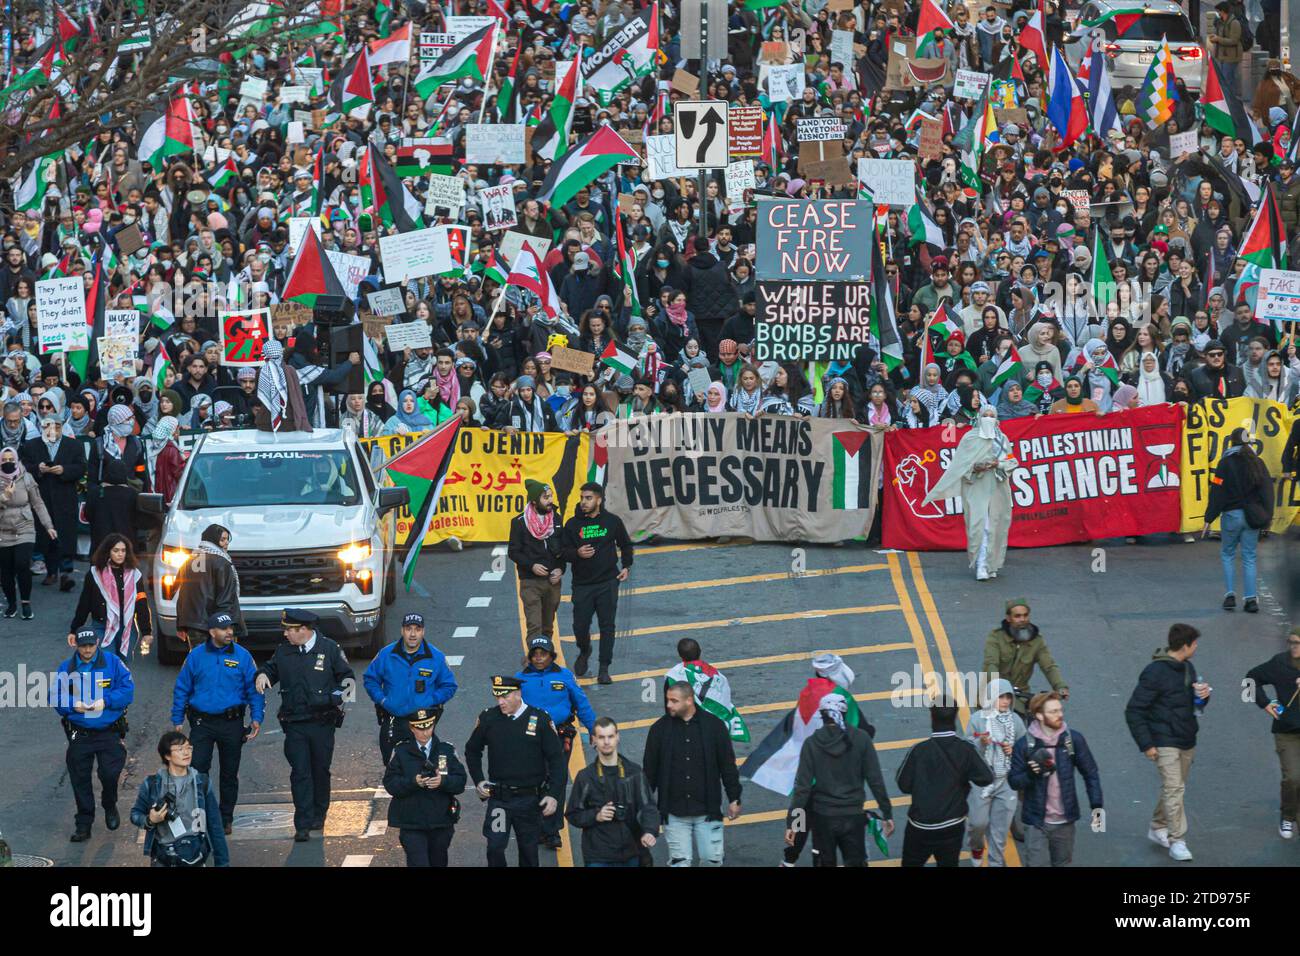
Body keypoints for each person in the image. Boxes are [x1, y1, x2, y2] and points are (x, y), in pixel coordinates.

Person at [253, 608, 354, 842]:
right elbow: (271, 668)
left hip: (322, 723)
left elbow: (348, 680)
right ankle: (303, 822)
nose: (285, 634)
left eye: (289, 630)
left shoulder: (329, 649)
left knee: (320, 770)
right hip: (294, 723)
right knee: (300, 772)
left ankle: (320, 812)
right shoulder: (284, 651)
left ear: (304, 630)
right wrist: (262, 675)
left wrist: (333, 698)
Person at [170, 611, 264, 835]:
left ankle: (225, 818)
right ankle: (200, 815)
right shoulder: (195, 656)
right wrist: (177, 718)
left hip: (231, 724)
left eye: (231, 628)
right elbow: (182, 687)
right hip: (202, 723)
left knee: (229, 774)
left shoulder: (242, 656)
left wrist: (256, 717)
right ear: (212, 632)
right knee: (198, 771)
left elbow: (254, 690)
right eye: (224, 629)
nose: (230, 632)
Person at [1124, 623, 1210, 862]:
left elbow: (1194, 705)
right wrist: (1147, 744)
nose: (1196, 648)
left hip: (1186, 738)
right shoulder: (1154, 672)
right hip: (1164, 740)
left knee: (1175, 787)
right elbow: (1134, 710)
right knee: (1174, 788)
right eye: (1194, 644)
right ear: (1185, 646)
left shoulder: (1188, 668)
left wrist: (1203, 696)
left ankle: (1157, 825)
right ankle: (1177, 840)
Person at [464, 675, 567, 867]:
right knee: (494, 847)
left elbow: (557, 761)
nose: (500, 702)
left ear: (518, 694)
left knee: (528, 852)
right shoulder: (489, 718)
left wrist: (553, 794)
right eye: (497, 697)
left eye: (505, 697)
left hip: (528, 801)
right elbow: (472, 750)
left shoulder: (540, 720)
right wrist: (479, 780)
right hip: (500, 800)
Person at [785, 693, 894, 867]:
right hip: (853, 816)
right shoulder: (862, 739)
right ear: (844, 713)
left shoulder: (811, 744)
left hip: (823, 818)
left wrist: (793, 824)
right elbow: (875, 780)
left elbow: (802, 789)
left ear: (821, 715)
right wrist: (887, 813)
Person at [643, 682, 743, 867]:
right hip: (673, 812)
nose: (669, 705)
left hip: (708, 811)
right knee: (680, 863)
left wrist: (734, 798)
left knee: (712, 861)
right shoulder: (659, 730)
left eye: (674, 701)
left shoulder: (714, 727)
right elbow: (649, 773)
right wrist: (643, 809)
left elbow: (727, 766)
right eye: (668, 700)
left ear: (689, 700)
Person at [516, 635, 597, 850]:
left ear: (552, 656)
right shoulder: (519, 679)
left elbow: (582, 704)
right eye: (535, 654)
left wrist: (594, 731)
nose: (539, 658)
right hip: (529, 739)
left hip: (560, 737)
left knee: (557, 781)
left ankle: (552, 831)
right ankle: (536, 827)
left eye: (544, 654)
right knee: (533, 781)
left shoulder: (565, 676)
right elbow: (508, 709)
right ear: (530, 657)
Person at [55, 627, 135, 842]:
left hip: (108, 732)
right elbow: (56, 697)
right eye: (83, 646)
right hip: (80, 734)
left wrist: (106, 701)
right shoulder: (66, 668)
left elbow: (128, 690)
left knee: (109, 774)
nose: (87, 650)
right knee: (79, 779)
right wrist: (74, 705)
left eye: (91, 645)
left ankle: (109, 805)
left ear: (97, 642)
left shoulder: (113, 663)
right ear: (76, 645)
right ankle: (84, 823)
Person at [922, 404, 1018, 580]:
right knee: (979, 526)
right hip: (976, 487)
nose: (988, 418)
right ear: (979, 417)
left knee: (996, 526)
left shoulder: (1001, 439)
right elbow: (960, 465)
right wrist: (976, 467)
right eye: (985, 415)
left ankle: (991, 564)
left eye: (992, 415)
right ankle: (980, 564)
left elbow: (1011, 461)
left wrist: (998, 464)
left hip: (998, 487)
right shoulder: (969, 438)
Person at [1008, 692, 1104, 867]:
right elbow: (1014, 781)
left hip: (1065, 821)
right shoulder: (1024, 745)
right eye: (1053, 711)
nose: (1059, 715)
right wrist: (1030, 774)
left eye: (1060, 710)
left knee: (1062, 864)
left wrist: (1097, 807)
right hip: (1037, 822)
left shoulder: (1073, 740)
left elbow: (1090, 773)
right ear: (1039, 715)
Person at [895, 700, 993, 867]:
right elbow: (986, 777)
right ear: (955, 717)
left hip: (921, 825)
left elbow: (903, 784)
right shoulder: (965, 750)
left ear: (931, 717)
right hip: (952, 825)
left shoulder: (918, 750)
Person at [560, 481, 633, 684]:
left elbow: (626, 545)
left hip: (607, 583)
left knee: (607, 626)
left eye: (588, 498)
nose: (584, 502)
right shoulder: (573, 525)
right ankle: (584, 649)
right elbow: (562, 551)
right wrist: (577, 553)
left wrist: (626, 566)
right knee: (580, 626)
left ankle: (604, 667)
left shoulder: (612, 521)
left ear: (599, 500)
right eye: (582, 498)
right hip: (582, 585)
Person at [363, 611, 458, 766]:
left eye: (417, 629)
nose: (413, 634)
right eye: (409, 629)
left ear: (423, 631)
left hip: (423, 724)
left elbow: (449, 685)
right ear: (402, 631)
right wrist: (382, 699)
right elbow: (370, 679)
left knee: (424, 768)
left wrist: (431, 700)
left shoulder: (436, 657)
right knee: (393, 769)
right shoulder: (386, 654)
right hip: (393, 721)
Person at [566, 717, 661, 867]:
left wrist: (650, 831)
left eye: (610, 736)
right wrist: (596, 815)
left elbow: (648, 807)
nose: (606, 742)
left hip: (631, 851)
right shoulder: (585, 777)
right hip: (599, 855)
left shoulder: (634, 773)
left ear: (617, 737)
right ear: (594, 740)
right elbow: (572, 814)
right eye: (601, 737)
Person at [130, 731, 231, 868]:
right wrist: (149, 820)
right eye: (180, 749)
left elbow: (215, 825)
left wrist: (223, 862)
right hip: (164, 855)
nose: (186, 752)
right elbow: (135, 814)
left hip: (196, 854)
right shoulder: (152, 784)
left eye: (189, 747)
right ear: (167, 755)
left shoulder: (202, 782)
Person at [382, 706, 466, 867]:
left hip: (440, 821)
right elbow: (390, 784)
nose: (425, 732)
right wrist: (414, 782)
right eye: (420, 728)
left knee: (438, 862)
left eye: (428, 727)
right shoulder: (401, 751)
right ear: (412, 728)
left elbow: (460, 782)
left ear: (433, 725)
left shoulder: (446, 750)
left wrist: (443, 782)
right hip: (411, 823)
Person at [1204, 427, 1273, 613]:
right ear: (1248, 442)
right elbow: (1267, 491)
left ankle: (1230, 595)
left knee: (1228, 554)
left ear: (1231, 442)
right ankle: (1251, 599)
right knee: (1249, 557)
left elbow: (1217, 491)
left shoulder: (1224, 463)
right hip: (1252, 517)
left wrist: (1209, 517)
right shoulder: (1258, 463)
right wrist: (1267, 518)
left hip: (1231, 516)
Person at [18, 411, 84, 591]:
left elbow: (80, 467)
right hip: (42, 497)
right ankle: (51, 571)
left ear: (62, 427)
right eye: (48, 426)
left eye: (56, 426)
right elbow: (23, 467)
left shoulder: (74, 445)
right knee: (46, 536)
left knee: (66, 535)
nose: (52, 430)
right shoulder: (32, 446)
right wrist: (38, 469)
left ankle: (66, 573)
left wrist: (63, 470)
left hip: (65, 497)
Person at [1245, 626, 1300, 839]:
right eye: (1292, 643)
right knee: (1293, 778)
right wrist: (1264, 703)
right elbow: (1249, 679)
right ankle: (1287, 816)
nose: (1294, 647)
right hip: (1287, 731)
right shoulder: (1280, 663)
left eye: (1298, 643)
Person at [964, 678, 1024, 866]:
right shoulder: (977, 720)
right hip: (982, 782)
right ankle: (976, 847)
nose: (1005, 701)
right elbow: (967, 751)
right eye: (1001, 697)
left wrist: (1014, 750)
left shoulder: (1016, 720)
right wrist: (980, 743)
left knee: (1000, 831)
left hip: (1006, 782)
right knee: (977, 824)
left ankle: (995, 862)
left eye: (1008, 697)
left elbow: (1026, 748)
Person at [67, 533, 152, 660]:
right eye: (116, 550)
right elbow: (84, 604)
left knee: (123, 670)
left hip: (127, 630)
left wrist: (146, 632)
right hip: (101, 627)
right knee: (106, 667)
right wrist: (74, 630)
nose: (120, 554)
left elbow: (141, 603)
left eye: (123, 550)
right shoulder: (94, 574)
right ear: (108, 552)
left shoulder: (135, 575)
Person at [982, 598, 1069, 717]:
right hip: (994, 693)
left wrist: (1060, 686)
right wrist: (998, 687)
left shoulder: (1037, 640)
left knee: (1024, 727)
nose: (1022, 619)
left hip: (1020, 694)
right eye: (1017, 616)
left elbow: (1048, 666)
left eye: (1025, 615)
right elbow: (991, 664)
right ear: (1008, 618)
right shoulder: (995, 637)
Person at [86, 403, 150, 552]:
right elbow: (92, 475)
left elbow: (141, 470)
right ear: (117, 421)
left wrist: (142, 494)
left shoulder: (136, 443)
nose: (131, 422)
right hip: (106, 502)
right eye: (128, 419)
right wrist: (95, 495)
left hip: (128, 499)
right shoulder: (100, 445)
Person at [0, 445, 54, 620]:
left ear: (16, 460)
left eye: (11, 459)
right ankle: (12, 603)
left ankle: (25, 602)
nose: (8, 462)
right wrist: (4, 497)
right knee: (6, 569)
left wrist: (48, 526)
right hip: (3, 529)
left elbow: (38, 504)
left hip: (25, 526)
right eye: (4, 460)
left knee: (22, 564)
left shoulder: (27, 477)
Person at [508, 478, 565, 642]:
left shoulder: (556, 519)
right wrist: (531, 565)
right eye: (545, 497)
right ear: (534, 501)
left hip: (552, 582)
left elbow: (563, 549)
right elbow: (513, 552)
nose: (550, 501)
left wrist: (560, 569)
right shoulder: (519, 523)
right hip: (530, 582)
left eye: (550, 496)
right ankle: (534, 663)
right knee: (534, 626)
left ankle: (546, 659)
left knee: (548, 627)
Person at [174, 523, 245, 646]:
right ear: (213, 539)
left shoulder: (188, 561)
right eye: (222, 539)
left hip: (193, 624)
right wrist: (226, 627)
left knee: (200, 661)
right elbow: (226, 598)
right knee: (222, 662)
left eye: (227, 539)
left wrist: (180, 624)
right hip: (217, 625)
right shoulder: (222, 562)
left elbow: (182, 595)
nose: (226, 543)